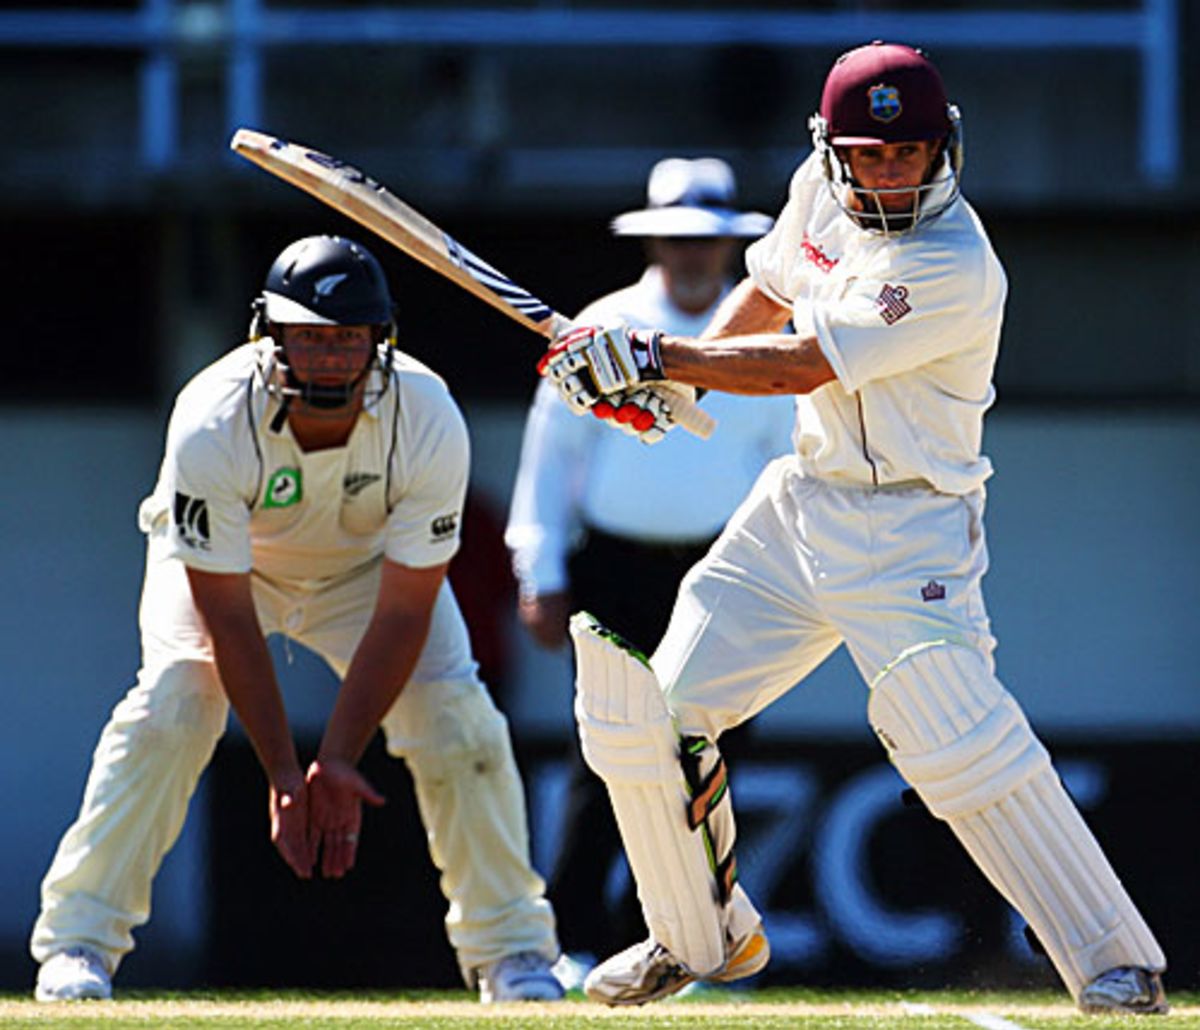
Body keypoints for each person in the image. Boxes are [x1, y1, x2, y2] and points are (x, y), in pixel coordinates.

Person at [539, 42, 1168, 1014]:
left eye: (908, 152)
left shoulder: (952, 262)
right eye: (870, 154)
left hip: (914, 525)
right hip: (800, 505)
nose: (889, 172)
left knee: (959, 742)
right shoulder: (816, 192)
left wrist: (660, 352)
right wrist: (663, 378)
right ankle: (697, 932)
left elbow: (800, 363)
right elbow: (773, 293)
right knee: (653, 713)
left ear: (943, 147)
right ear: (832, 149)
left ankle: (1112, 960)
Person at [31, 235, 563, 1004]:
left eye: (347, 338)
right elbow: (228, 618)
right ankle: (78, 943)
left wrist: (339, 759)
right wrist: (285, 773)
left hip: (367, 573)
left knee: (459, 720)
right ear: (269, 335)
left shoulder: (427, 415)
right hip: (229, 572)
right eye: (308, 337)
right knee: (173, 707)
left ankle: (513, 955)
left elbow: (406, 607)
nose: (328, 357)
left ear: (381, 340)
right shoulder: (212, 418)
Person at [505, 157, 794, 972]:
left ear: (732, 245)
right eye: (676, 239)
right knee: (606, 756)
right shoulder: (608, 325)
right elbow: (550, 460)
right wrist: (542, 572)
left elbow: (788, 464)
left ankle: (697, 945)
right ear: (653, 243)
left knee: (706, 762)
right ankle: (575, 939)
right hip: (616, 571)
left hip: (726, 573)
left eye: (706, 241)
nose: (692, 256)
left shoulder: (769, 333)